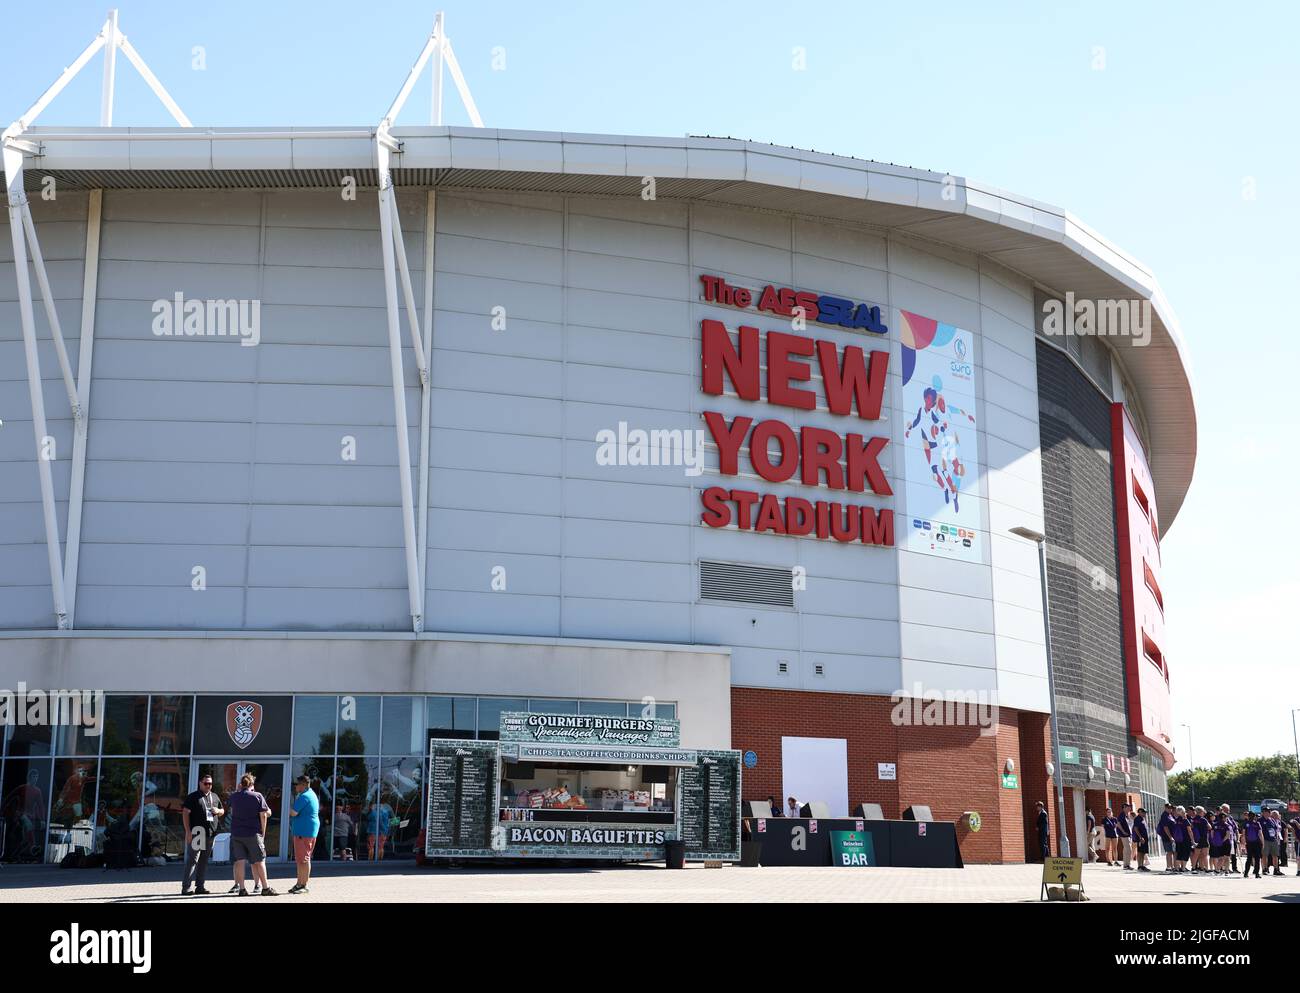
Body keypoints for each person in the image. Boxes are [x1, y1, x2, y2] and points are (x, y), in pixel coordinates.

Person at [228, 772, 278, 897]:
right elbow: (263, 815)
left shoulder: (234, 797)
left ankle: (242, 889)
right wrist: (263, 833)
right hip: (252, 833)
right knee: (260, 861)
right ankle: (265, 888)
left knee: (239, 861)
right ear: (252, 784)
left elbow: (232, 811)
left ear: (242, 784)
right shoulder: (257, 796)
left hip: (237, 833)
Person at [180, 773, 224, 895]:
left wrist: (218, 811)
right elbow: (185, 813)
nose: (208, 786)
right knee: (193, 860)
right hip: (197, 831)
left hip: (211, 833)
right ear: (200, 783)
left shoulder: (214, 796)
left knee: (204, 861)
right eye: (206, 783)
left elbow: (222, 810)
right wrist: (188, 832)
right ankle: (186, 887)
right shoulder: (193, 797)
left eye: (210, 783)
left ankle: (200, 886)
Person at [287, 774, 319, 894]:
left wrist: (290, 809)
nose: (295, 787)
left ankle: (303, 885)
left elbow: (293, 813)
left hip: (304, 832)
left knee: (304, 859)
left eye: (297, 784)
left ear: (303, 785)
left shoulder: (304, 797)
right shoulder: (310, 794)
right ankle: (299, 883)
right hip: (306, 831)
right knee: (301, 859)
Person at [1208, 811, 1231, 875]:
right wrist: (1222, 841)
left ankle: (1217, 869)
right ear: (1224, 818)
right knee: (1227, 857)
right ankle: (1226, 870)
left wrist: (1215, 841)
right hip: (1226, 843)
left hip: (1217, 843)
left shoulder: (1214, 824)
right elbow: (1228, 835)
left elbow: (1212, 834)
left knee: (1220, 857)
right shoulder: (1227, 825)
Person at [1242, 811, 1263, 879]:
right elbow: (1260, 834)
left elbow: (1244, 834)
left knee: (1249, 858)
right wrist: (1263, 843)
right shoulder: (1257, 823)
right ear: (1254, 817)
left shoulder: (1246, 823)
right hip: (1256, 843)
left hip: (1250, 843)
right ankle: (1256, 873)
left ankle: (1246, 873)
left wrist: (1244, 843)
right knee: (1257, 859)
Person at [1261, 810, 1283, 876]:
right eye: (1265, 812)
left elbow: (1276, 829)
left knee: (1275, 855)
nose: (1267, 813)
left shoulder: (1272, 820)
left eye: (1268, 812)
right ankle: (1265, 869)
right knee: (1265, 855)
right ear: (1263, 813)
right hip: (1265, 839)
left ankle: (1276, 869)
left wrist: (1277, 838)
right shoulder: (1260, 820)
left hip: (1273, 839)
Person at [1157, 803, 1177, 872]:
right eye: (1168, 808)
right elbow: (1165, 827)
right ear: (1165, 808)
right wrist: (1170, 837)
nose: (1170, 809)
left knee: (1173, 852)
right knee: (1169, 852)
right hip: (1167, 836)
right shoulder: (1164, 815)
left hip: (1172, 836)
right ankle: (1169, 867)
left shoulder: (1170, 815)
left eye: (1171, 808)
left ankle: (1173, 866)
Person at [1172, 805, 1191, 872]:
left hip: (1178, 840)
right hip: (1186, 839)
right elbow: (1189, 831)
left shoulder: (1176, 820)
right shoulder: (1185, 820)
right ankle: (1183, 868)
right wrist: (1193, 840)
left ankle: (1177, 868)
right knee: (1186, 853)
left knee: (1179, 854)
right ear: (1183, 812)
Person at [1190, 806, 1210, 872]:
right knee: (1205, 855)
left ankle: (1193, 867)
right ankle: (1206, 868)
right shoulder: (1203, 819)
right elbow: (1209, 827)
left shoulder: (1193, 819)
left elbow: (1191, 828)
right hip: (1203, 838)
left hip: (1197, 839)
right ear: (1201, 812)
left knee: (1196, 854)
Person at [1116, 803, 1133, 870]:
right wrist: (1123, 831)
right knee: (1128, 849)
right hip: (1124, 835)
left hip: (1128, 834)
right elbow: (1118, 823)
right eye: (1128, 807)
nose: (1129, 808)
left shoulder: (1127, 815)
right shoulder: (1122, 815)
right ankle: (1127, 865)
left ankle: (1126, 865)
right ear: (1124, 808)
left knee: (1126, 849)